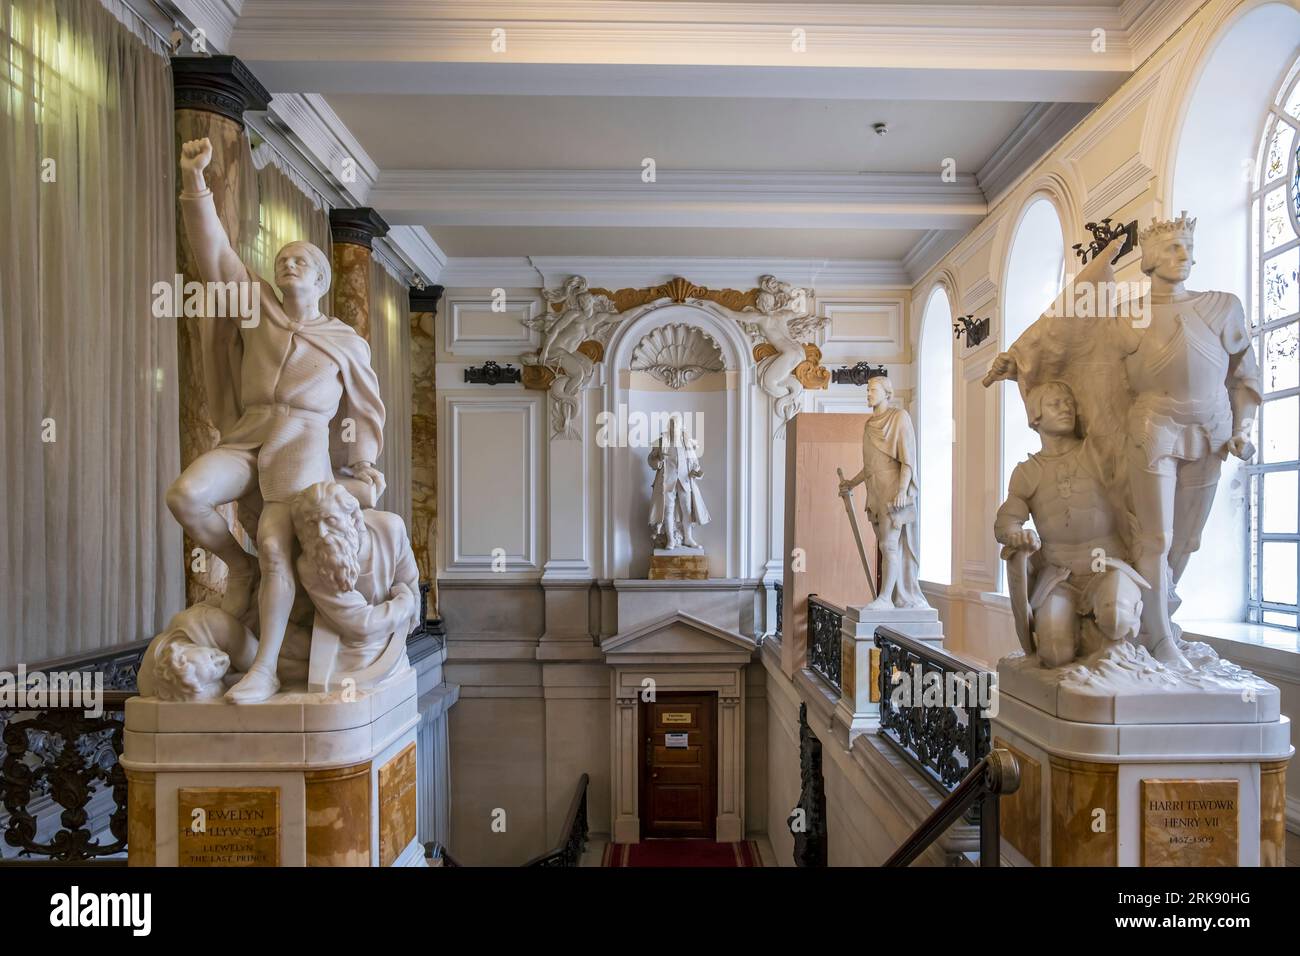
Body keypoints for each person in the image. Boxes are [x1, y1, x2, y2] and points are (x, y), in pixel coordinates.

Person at [167, 137, 385, 702]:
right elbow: (214, 256)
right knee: (186, 496)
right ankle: (233, 567)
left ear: (320, 282)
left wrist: (362, 463)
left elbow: (363, 407)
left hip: (300, 449)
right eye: (283, 259)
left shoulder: (343, 340)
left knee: (273, 544)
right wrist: (196, 184)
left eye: (302, 262)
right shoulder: (257, 306)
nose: (289, 264)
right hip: (248, 437)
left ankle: (263, 668)